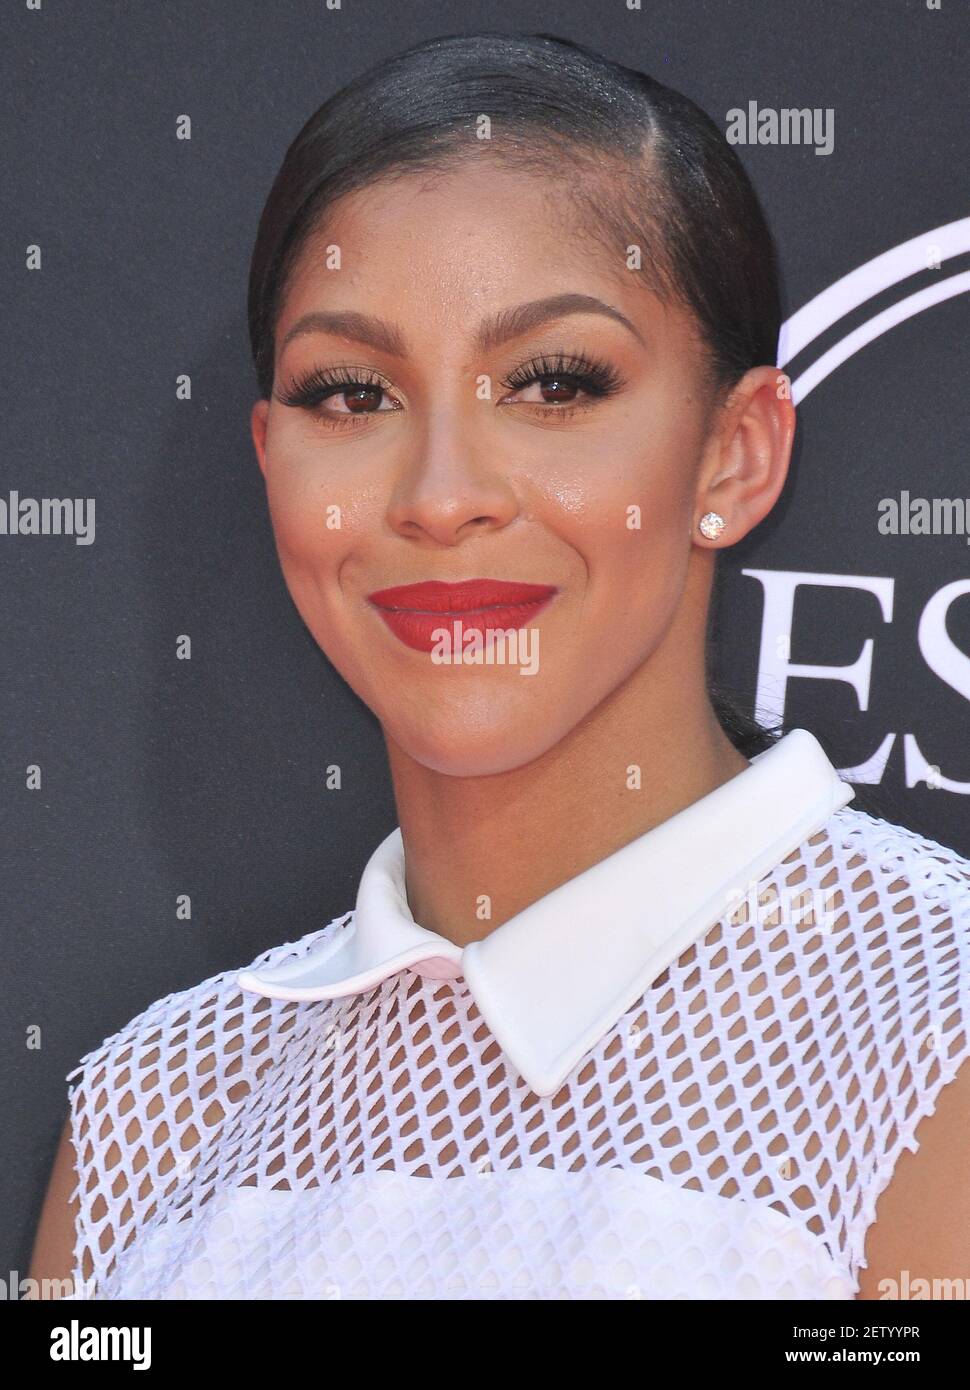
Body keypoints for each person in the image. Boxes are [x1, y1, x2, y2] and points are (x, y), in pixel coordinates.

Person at [30, 31, 970, 1301]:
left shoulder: (930, 1031)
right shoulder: (152, 1116)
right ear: (270, 460)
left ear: (732, 456)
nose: (441, 496)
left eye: (552, 383)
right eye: (353, 395)